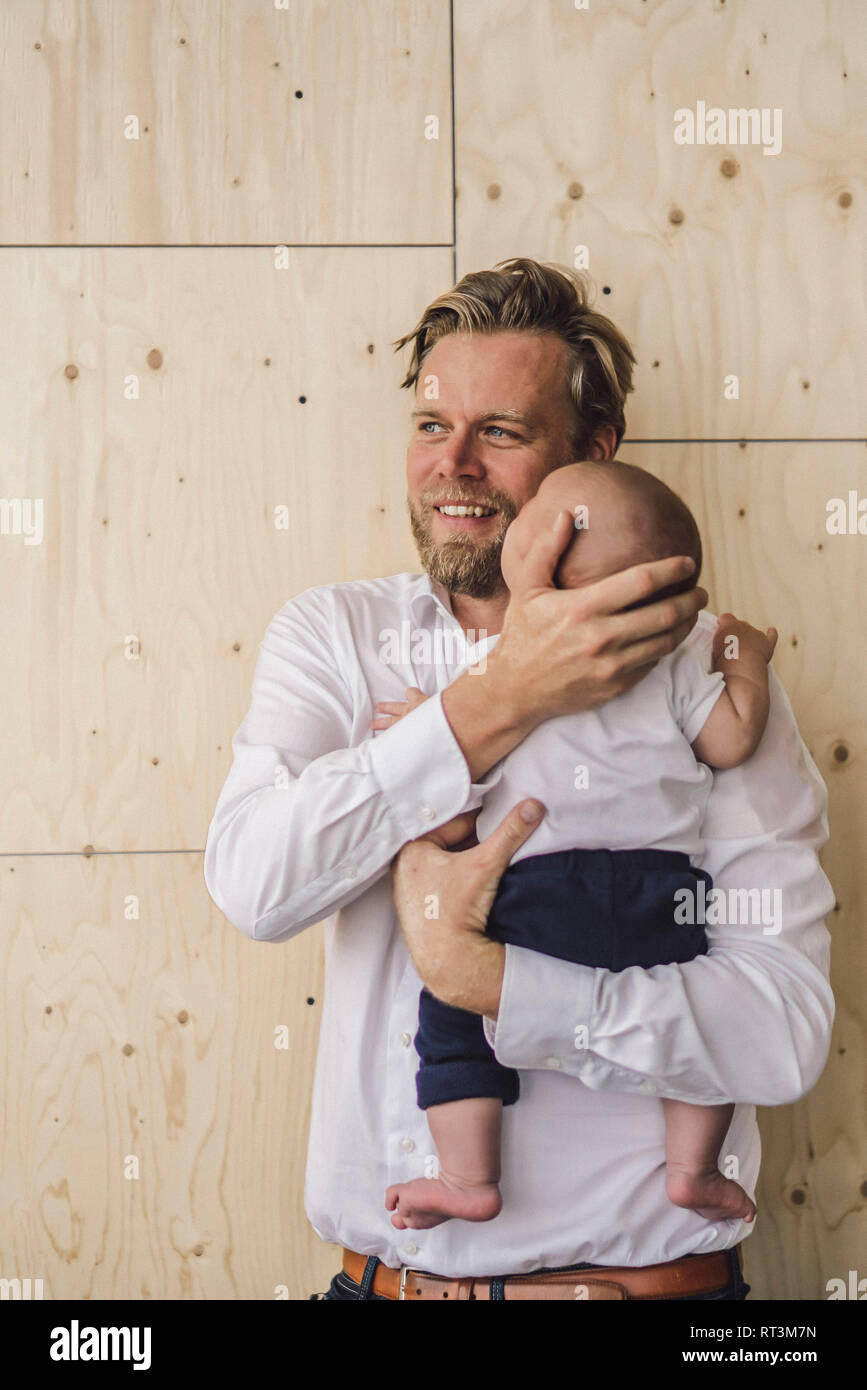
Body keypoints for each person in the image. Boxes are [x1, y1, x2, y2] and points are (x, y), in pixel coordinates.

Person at [204, 258, 834, 1301]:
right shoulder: (336, 639)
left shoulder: (705, 669)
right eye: (429, 424)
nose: (451, 464)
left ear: (593, 455)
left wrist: (496, 985)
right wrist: (499, 702)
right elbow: (255, 886)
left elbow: (781, 1028)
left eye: (499, 431)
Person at [383, 460, 776, 1233]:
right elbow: (729, 742)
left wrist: (422, 728)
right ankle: (692, 1170)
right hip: (660, 894)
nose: (520, 520)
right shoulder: (674, 662)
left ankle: (466, 1176)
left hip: (533, 896)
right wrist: (747, 667)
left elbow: (456, 806)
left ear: (555, 556)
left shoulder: (496, 663)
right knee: (701, 1022)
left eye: (537, 519)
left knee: (454, 1013)